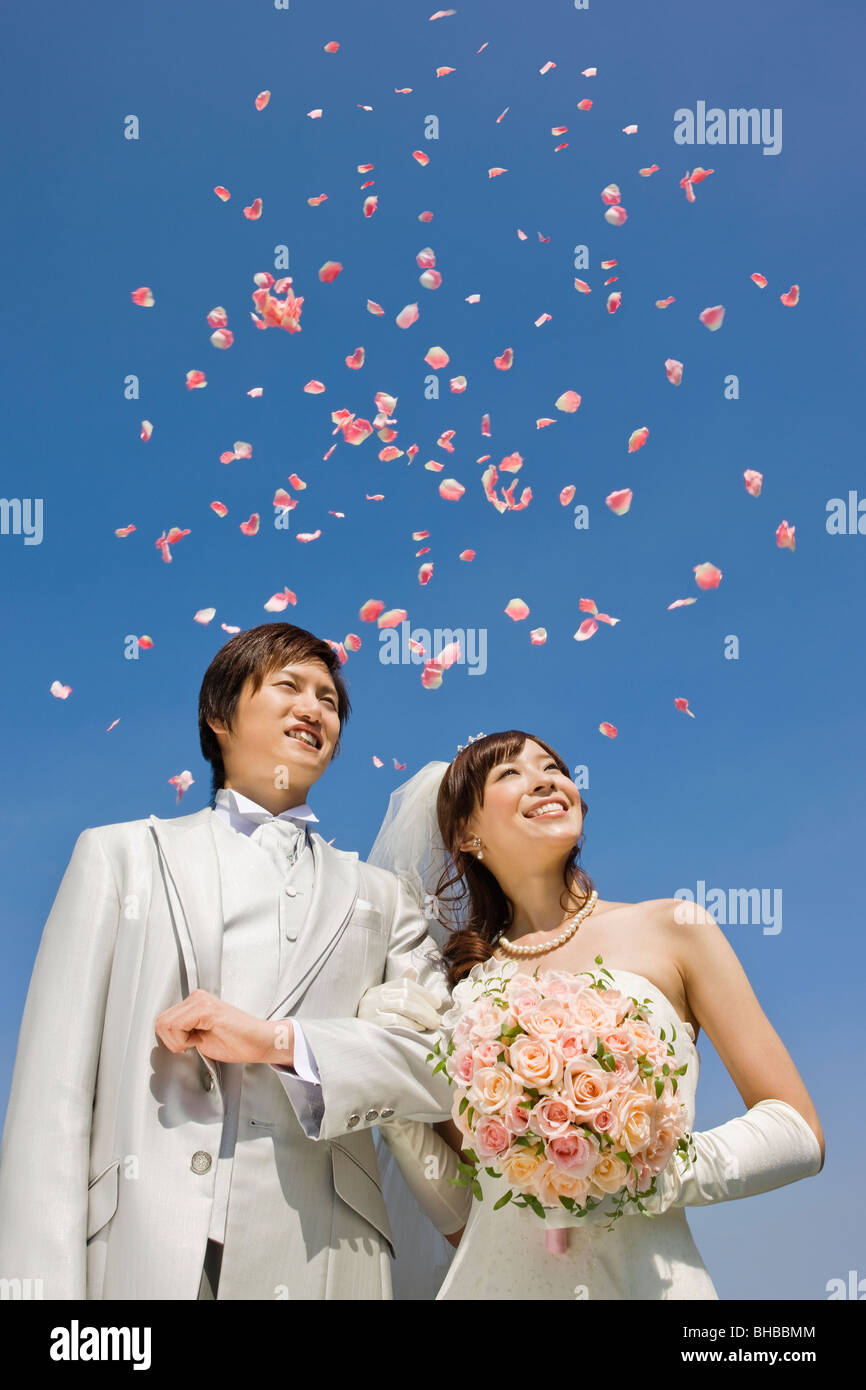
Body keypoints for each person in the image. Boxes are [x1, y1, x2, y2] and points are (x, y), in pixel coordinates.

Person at [0, 622, 469, 1300]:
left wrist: (289, 1045)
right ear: (220, 716)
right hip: (143, 1255)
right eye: (289, 686)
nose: (315, 708)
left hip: (329, 1259)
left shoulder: (381, 897)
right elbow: (53, 1096)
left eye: (329, 699)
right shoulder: (121, 857)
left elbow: (440, 1063)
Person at [360, 729, 826, 1299]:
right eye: (509, 773)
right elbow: (468, 1207)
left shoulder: (674, 928)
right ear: (466, 832)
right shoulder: (465, 995)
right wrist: (395, 1107)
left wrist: (655, 1172)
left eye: (552, 765)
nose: (545, 778)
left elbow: (798, 1130)